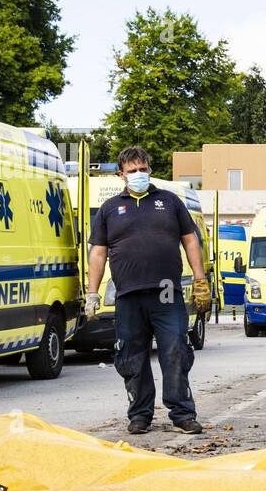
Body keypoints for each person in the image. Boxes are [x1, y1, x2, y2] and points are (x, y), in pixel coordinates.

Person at [85, 147, 212, 434]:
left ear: (150, 170)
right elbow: (98, 253)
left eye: (143, 169)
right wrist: (92, 292)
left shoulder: (169, 202)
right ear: (121, 175)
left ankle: (182, 414)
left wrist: (200, 280)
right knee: (132, 356)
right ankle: (140, 415)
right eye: (132, 171)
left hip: (167, 290)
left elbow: (191, 241)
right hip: (128, 294)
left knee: (175, 349)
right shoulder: (109, 209)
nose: (139, 174)